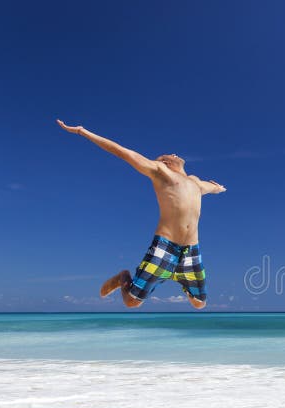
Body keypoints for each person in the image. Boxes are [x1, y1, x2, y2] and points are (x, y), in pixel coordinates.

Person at [57, 119, 226, 309]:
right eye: (169, 154)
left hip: (191, 250)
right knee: (132, 303)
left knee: (199, 304)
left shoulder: (195, 182)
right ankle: (123, 277)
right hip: (166, 247)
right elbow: (122, 152)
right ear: (165, 162)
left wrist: (217, 188)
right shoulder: (160, 171)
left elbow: (212, 188)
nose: (174, 153)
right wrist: (83, 132)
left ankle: (180, 280)